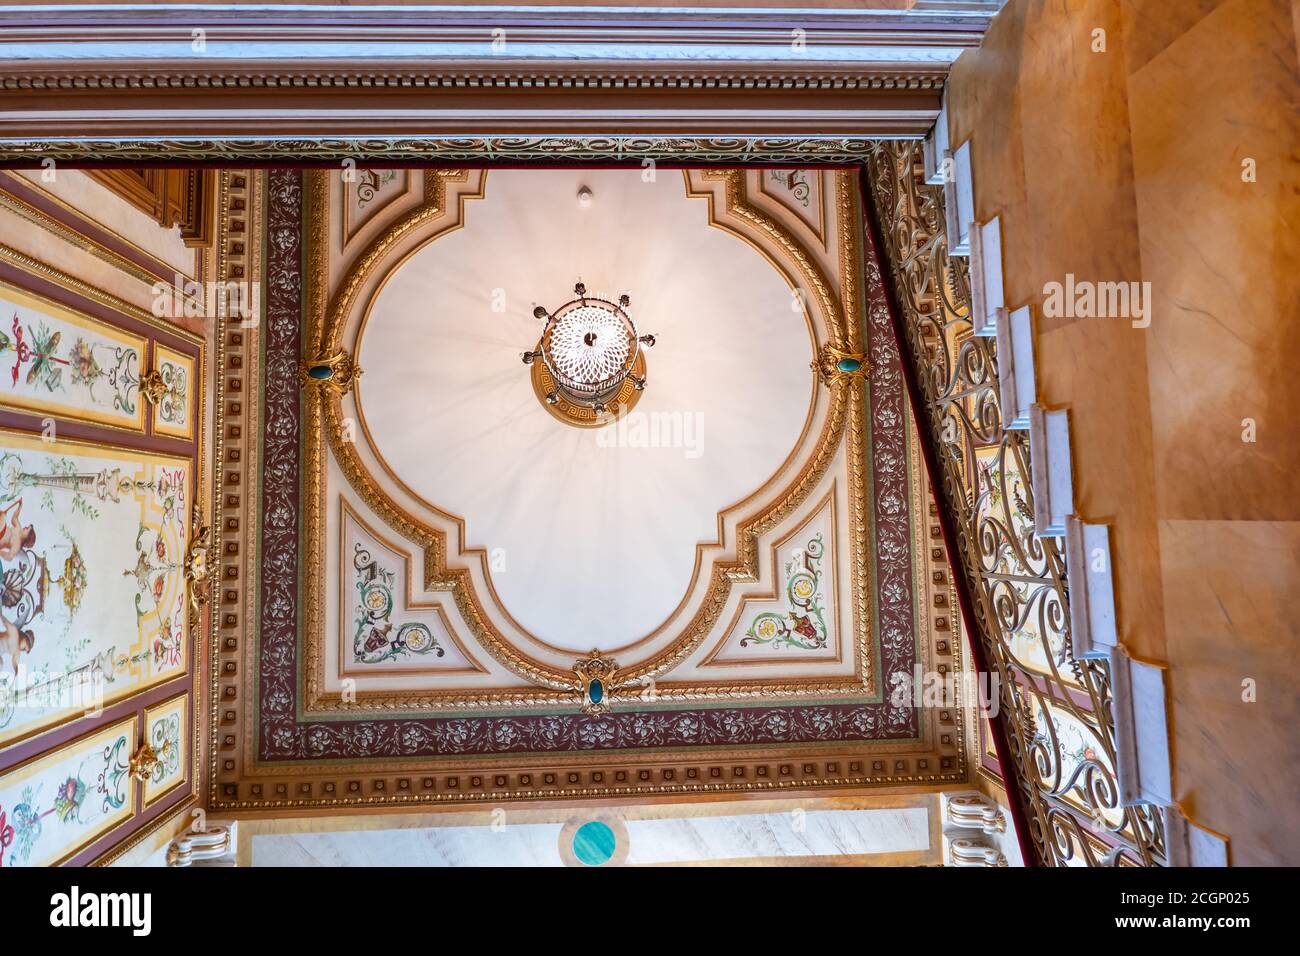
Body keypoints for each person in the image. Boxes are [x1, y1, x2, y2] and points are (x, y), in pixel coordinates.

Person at [0, 608, 33, 676]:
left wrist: (16, 669)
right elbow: (4, 620)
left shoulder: (17, 652)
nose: (24, 649)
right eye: (27, 645)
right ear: (25, 638)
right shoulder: (14, 632)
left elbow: (14, 661)